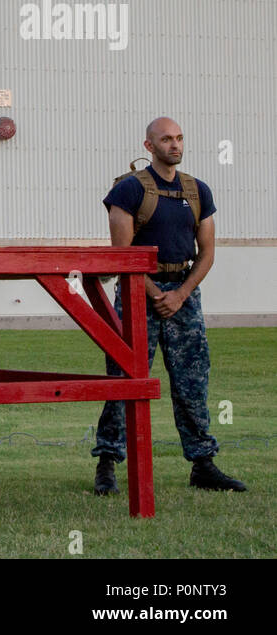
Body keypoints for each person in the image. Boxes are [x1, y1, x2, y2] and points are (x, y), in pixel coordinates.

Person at [92, 117, 245, 495]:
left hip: (184, 294)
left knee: (192, 381)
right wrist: (154, 292)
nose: (174, 145)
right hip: (136, 294)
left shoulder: (197, 191)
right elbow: (121, 255)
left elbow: (207, 253)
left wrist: (180, 294)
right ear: (149, 146)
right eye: (166, 140)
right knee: (123, 381)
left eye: (179, 138)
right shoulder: (129, 190)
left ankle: (203, 464)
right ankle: (108, 463)